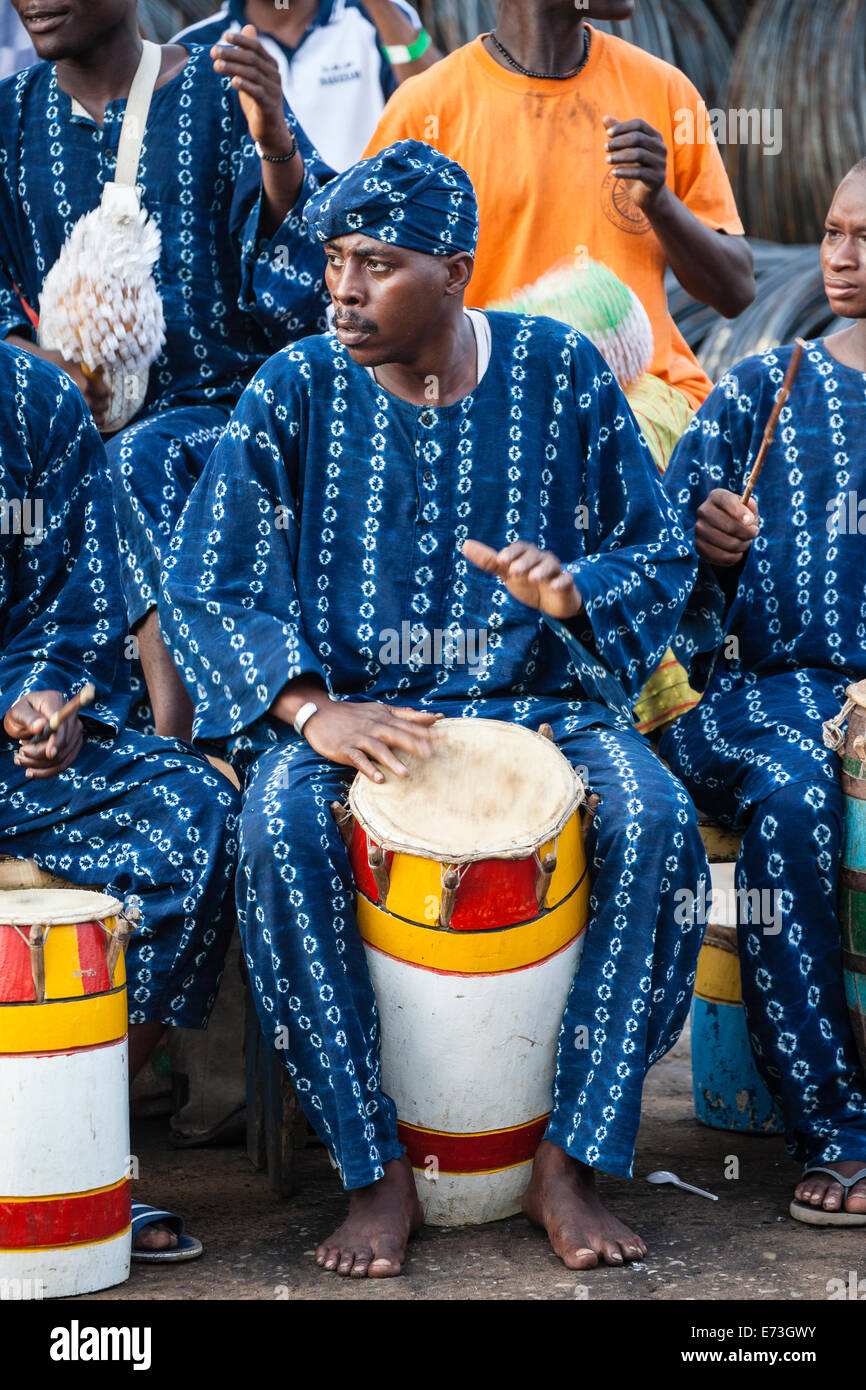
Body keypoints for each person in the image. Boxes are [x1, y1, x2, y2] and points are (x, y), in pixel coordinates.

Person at [160, 141, 709, 1276]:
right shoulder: (295, 385)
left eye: (377, 263)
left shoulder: (558, 373)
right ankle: (374, 1172)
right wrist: (311, 711)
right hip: (360, 714)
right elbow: (203, 581)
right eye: (334, 261)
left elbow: (655, 553)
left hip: (540, 705)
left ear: (456, 271)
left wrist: (573, 591)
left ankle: (571, 1158)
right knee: (276, 826)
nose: (344, 288)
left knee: (653, 821)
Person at [0, 0, 331, 739]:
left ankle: (175, 741)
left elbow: (306, 288)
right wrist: (46, 367)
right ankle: (41, 712)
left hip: (223, 413)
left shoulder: (219, 92)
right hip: (65, 425)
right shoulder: (6, 119)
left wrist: (275, 140)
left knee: (134, 460)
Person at [0, 341, 240, 1256]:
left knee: (191, 811)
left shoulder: (35, 405)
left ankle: (65, 1156)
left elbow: (66, 617)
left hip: (11, 762)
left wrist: (42, 706)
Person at [660, 161, 866, 1225]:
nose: (837, 255)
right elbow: (648, 558)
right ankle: (833, 1126)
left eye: (861, 237)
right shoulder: (761, 388)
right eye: (831, 232)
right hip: (756, 694)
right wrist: (706, 543)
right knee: (797, 794)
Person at [365, 0, 754, 413]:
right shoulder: (427, 109)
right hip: (490, 409)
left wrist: (660, 203)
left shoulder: (663, 89)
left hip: (640, 404)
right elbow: (370, 285)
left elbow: (736, 292)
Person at [175, 0, 441, 171]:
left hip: (372, 231)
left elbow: (439, 103)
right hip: (262, 237)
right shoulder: (196, 46)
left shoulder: (373, 14)